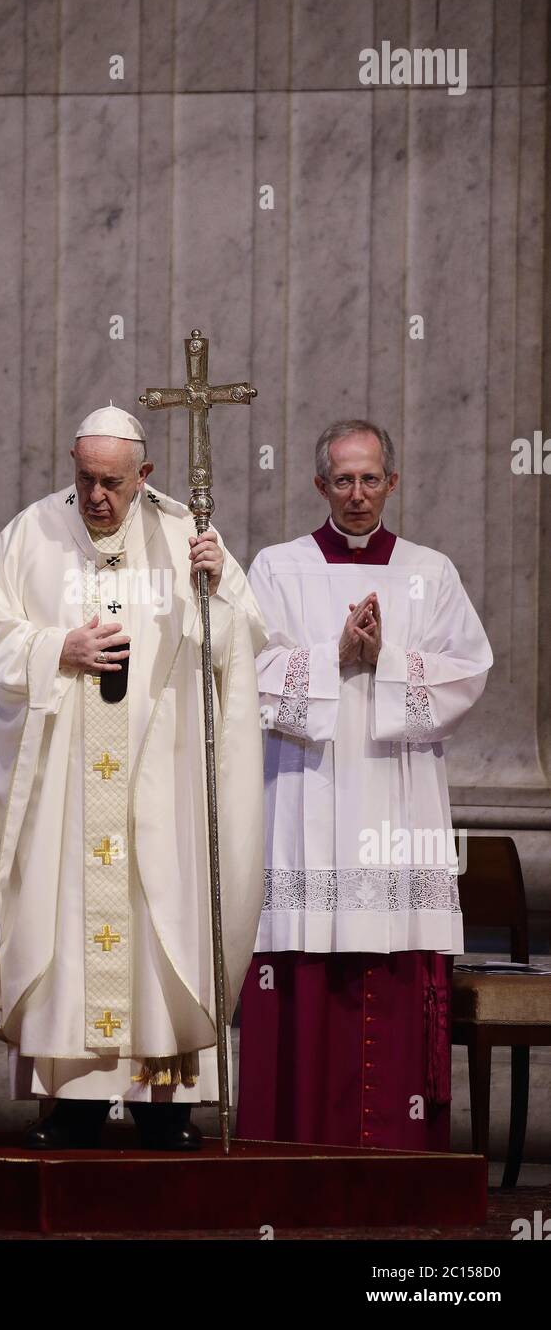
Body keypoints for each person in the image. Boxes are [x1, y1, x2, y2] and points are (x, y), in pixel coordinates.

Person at [0, 404, 267, 1150]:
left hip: (159, 775)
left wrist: (219, 585)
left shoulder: (183, 536)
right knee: (69, 919)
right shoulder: (30, 534)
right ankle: (74, 1105)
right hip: (68, 775)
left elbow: (241, 644)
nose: (97, 497)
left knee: (163, 919)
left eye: (112, 483)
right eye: (85, 478)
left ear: (145, 476)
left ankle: (166, 1104)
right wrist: (56, 647)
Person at [236, 419, 493, 1150]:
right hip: (305, 801)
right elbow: (242, 674)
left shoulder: (429, 572)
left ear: (393, 482)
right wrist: (332, 657)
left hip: (397, 799)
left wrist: (385, 662)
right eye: (342, 480)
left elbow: (468, 671)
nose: (357, 495)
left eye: (370, 478)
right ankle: (289, 1151)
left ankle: (399, 1160)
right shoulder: (278, 570)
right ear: (320, 485)